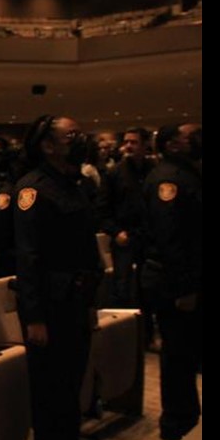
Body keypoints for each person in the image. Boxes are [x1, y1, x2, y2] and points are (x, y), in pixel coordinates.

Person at [13, 114, 102, 440]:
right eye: (72, 135)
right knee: (52, 403)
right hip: (49, 311)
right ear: (48, 145)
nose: (79, 139)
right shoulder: (34, 189)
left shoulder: (73, 184)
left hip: (75, 305)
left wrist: (91, 304)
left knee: (70, 398)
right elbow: (28, 260)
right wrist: (33, 317)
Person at [141, 123, 202, 440]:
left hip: (184, 278)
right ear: (172, 145)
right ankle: (177, 422)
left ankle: (187, 415)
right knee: (178, 354)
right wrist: (186, 288)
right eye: (189, 136)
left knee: (187, 352)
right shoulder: (169, 179)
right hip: (172, 281)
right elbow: (171, 240)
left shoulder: (187, 174)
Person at [97, 127, 155, 309]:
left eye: (134, 142)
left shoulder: (154, 170)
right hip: (125, 237)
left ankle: (147, 331)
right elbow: (101, 209)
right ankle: (126, 331)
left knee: (148, 286)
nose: (128, 146)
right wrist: (116, 232)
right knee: (123, 287)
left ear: (145, 145)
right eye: (126, 142)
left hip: (149, 237)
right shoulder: (114, 173)